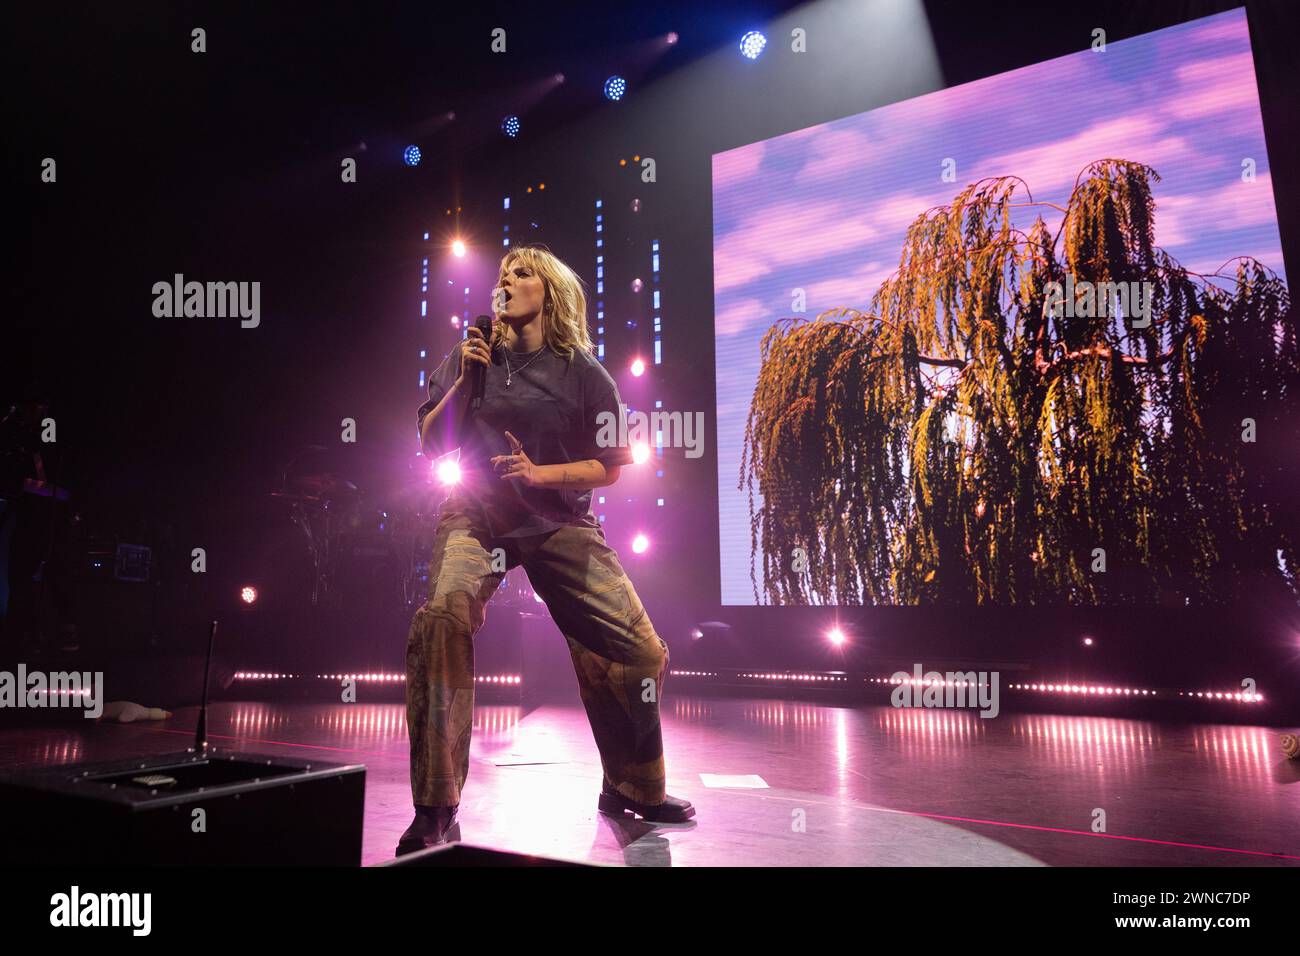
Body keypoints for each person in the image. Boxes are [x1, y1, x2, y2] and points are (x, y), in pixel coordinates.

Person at [398, 243, 694, 854]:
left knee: (638, 650)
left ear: (551, 292)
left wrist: (539, 475)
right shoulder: (469, 353)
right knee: (440, 622)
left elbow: (612, 467)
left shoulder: (583, 372)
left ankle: (631, 785)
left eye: (523, 273)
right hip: (475, 517)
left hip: (559, 520)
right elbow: (432, 443)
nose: (507, 281)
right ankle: (436, 804)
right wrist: (465, 381)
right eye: (503, 274)